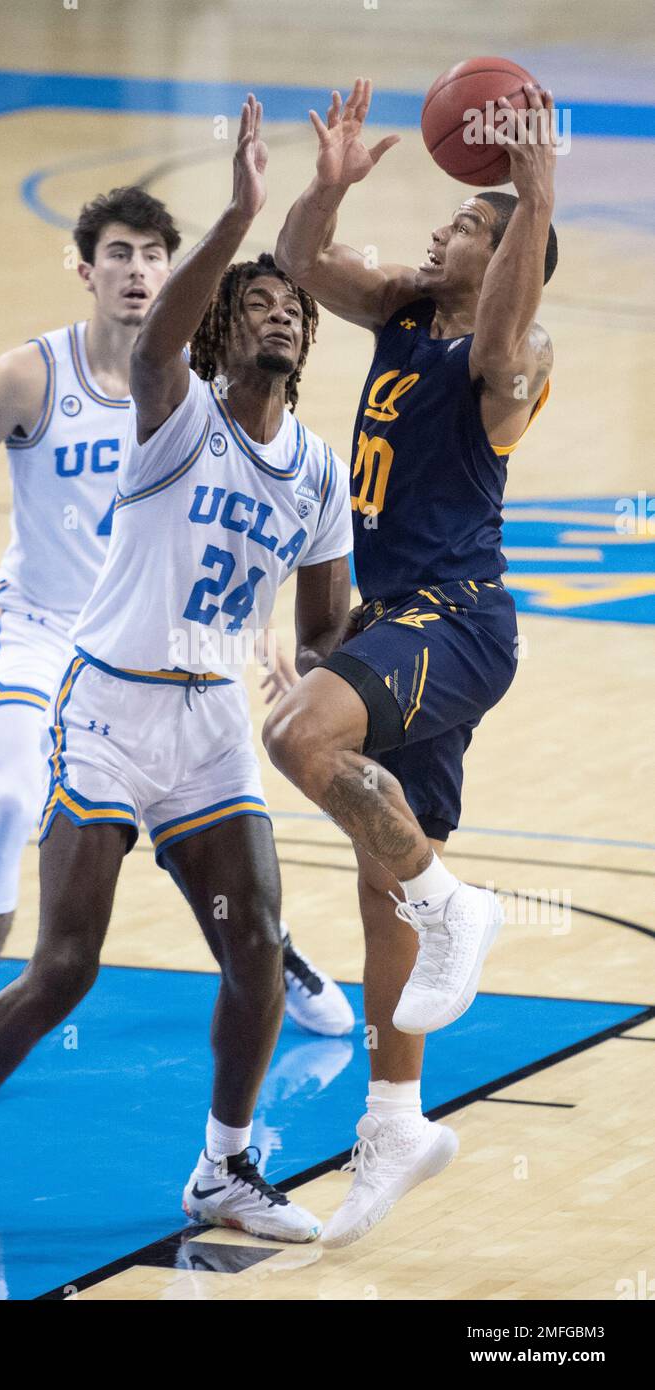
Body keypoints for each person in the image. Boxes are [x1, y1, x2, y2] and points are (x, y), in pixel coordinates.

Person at [0, 97, 355, 1249]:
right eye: (257, 305)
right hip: (106, 710)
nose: (278, 314)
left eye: (293, 307)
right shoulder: (173, 411)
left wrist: (349, 676)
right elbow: (170, 329)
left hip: (210, 726)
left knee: (255, 949)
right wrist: (244, 210)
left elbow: (329, 626)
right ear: (219, 338)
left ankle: (225, 1168)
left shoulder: (317, 471)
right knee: (69, 965)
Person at [265, 78, 557, 1247]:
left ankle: (456, 908)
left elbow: (496, 329)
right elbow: (297, 263)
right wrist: (325, 188)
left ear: (504, 260)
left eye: (466, 225)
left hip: (459, 617)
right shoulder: (395, 308)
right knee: (372, 870)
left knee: (297, 738)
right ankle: (395, 1119)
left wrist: (532, 196)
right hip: (398, 617)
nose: (440, 225)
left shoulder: (513, 350)